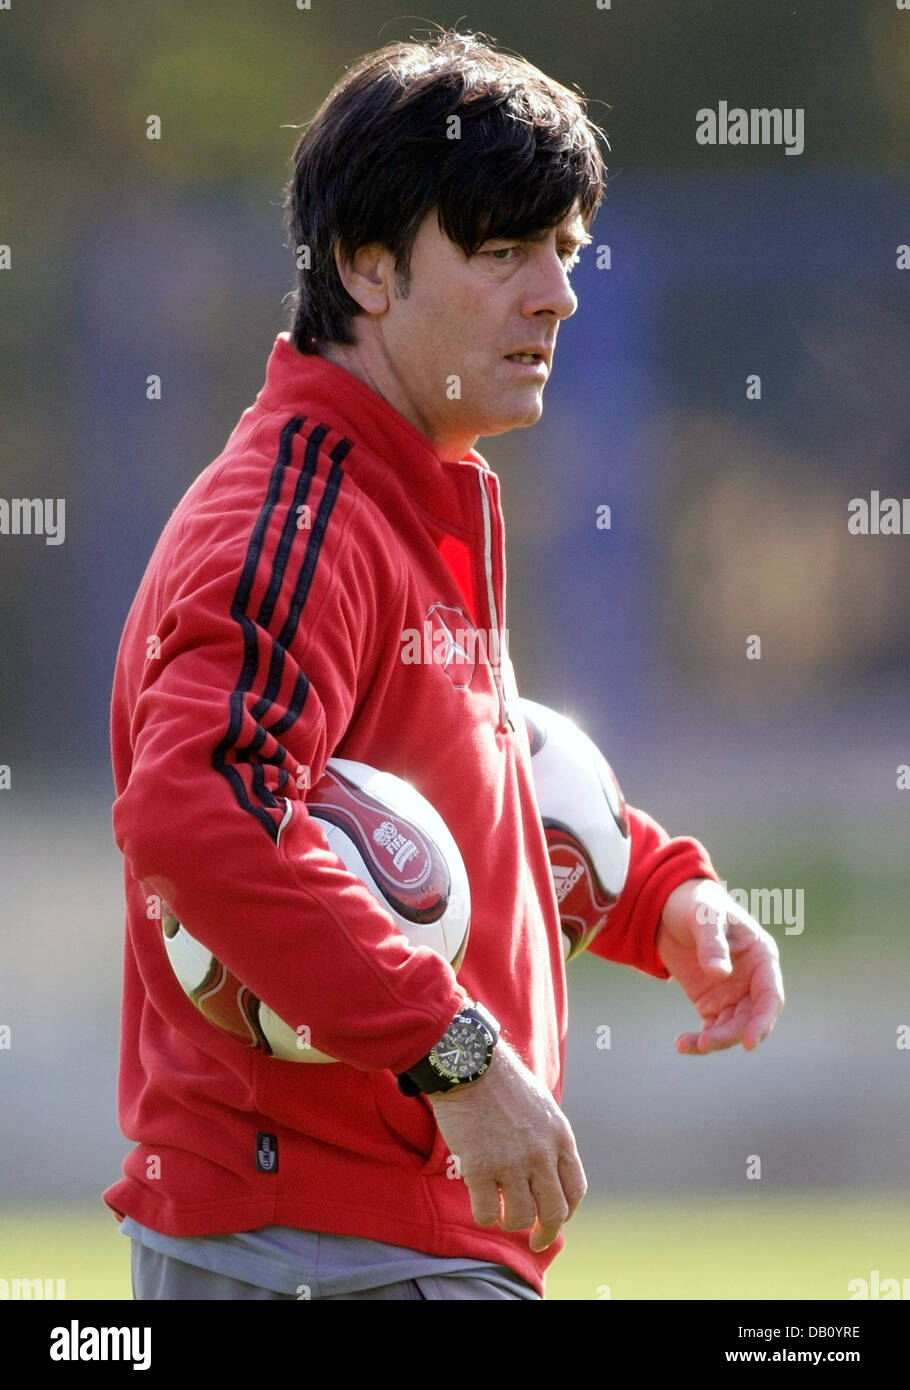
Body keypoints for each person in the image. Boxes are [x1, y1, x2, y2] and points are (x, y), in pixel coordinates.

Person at [105, 30, 784, 1302]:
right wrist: (456, 1053)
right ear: (365, 267)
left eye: (564, 251)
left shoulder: (409, 493)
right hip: (322, 1245)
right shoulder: (295, 517)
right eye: (500, 251)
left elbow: (447, 789)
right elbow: (202, 811)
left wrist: (658, 898)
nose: (556, 295)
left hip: (382, 1237)